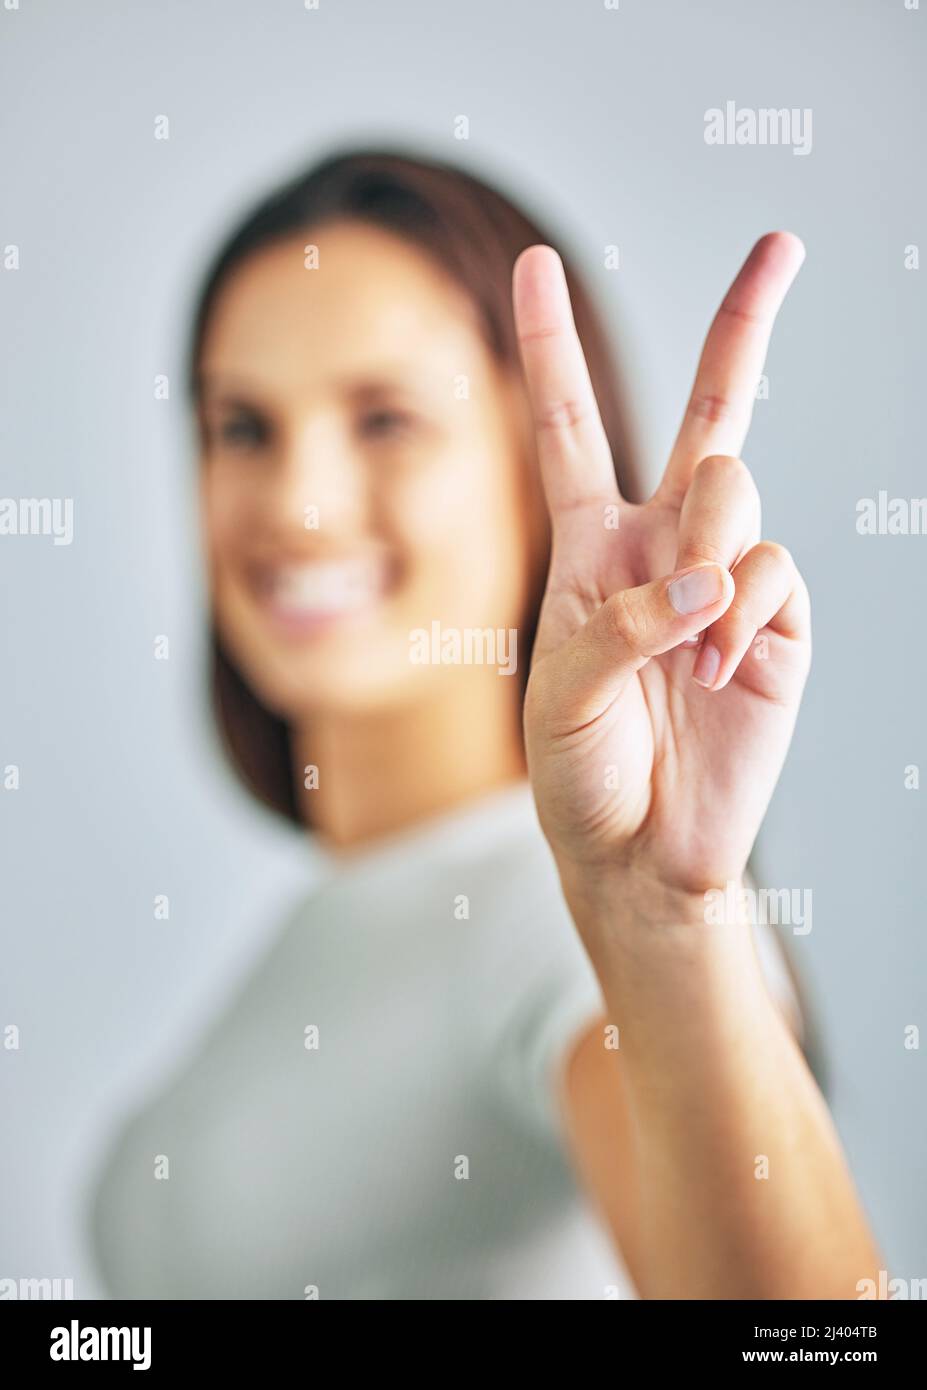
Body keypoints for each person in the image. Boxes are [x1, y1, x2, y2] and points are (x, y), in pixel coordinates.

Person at [87, 149, 881, 1299]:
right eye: (243, 428)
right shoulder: (334, 933)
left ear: (534, 474)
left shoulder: (553, 910)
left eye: (387, 419)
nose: (298, 506)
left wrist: (657, 917)